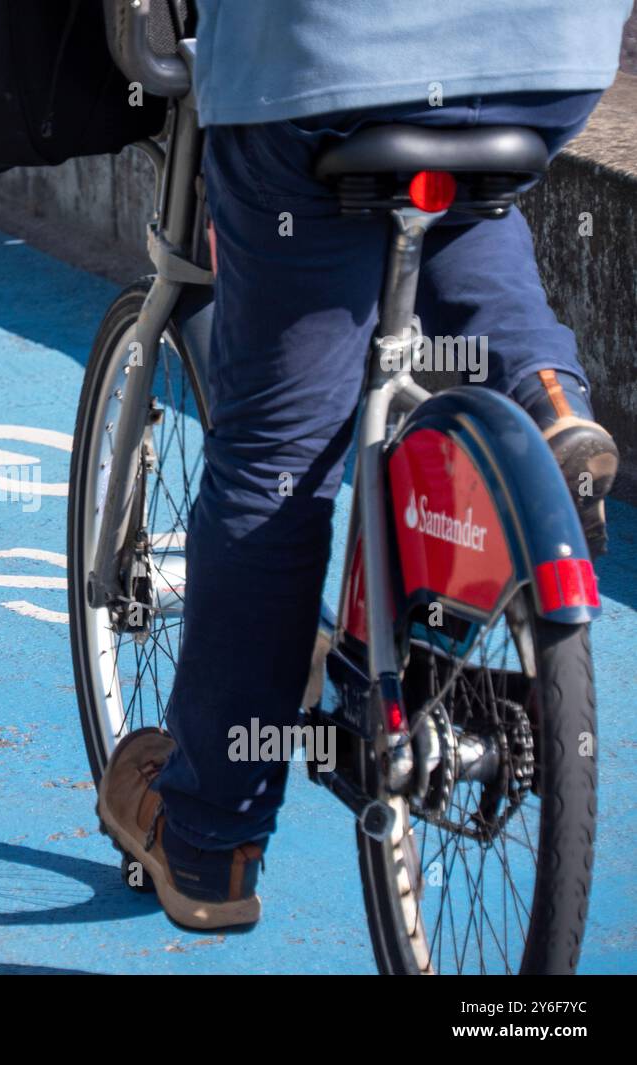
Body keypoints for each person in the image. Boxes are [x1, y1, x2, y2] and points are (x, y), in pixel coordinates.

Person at [97, 0, 630, 931]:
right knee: (466, 194)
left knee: (276, 461)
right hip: (548, 52)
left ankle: (210, 843)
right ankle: (546, 399)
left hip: (324, 61)